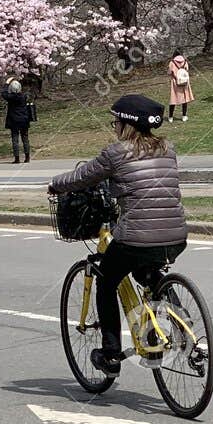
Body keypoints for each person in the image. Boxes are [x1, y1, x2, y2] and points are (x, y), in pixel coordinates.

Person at [48, 94, 186, 374]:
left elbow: (82, 176)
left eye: (116, 122)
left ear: (126, 125)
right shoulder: (168, 148)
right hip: (176, 235)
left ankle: (110, 353)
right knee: (145, 269)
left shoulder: (117, 153)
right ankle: (181, 323)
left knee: (107, 279)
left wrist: (55, 185)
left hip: (136, 237)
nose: (114, 127)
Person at [2, 78, 33, 163]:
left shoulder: (10, 97)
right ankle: (27, 157)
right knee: (25, 138)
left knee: (15, 139)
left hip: (14, 120)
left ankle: (17, 158)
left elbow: (3, 93)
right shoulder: (24, 96)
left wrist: (7, 82)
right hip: (24, 120)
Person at [166, 50, 193, 123]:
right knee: (184, 99)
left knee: (173, 99)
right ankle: (184, 116)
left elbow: (169, 72)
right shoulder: (185, 61)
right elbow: (187, 70)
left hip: (175, 82)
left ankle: (170, 117)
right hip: (184, 82)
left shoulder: (172, 62)